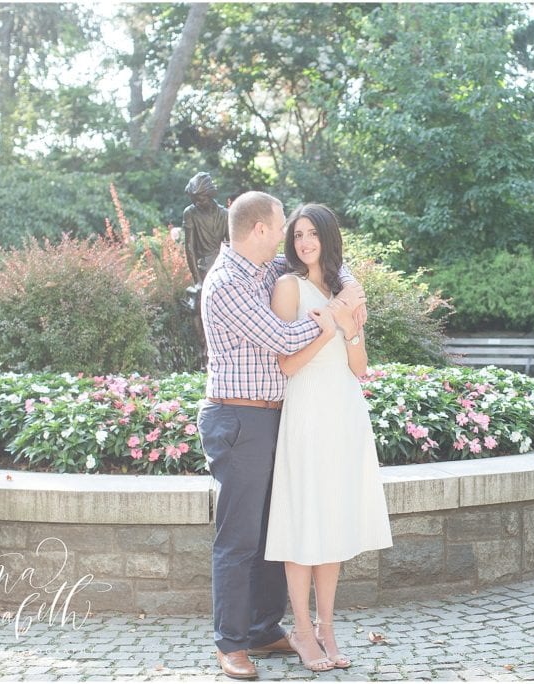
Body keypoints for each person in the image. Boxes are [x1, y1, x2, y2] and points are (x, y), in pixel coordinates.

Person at [196, 191, 366, 681]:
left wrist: (347, 291)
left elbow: (331, 269)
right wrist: (337, 316)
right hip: (238, 418)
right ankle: (231, 644)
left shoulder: (264, 272)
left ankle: (263, 627)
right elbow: (286, 339)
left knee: (275, 530)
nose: (288, 238)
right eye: (281, 228)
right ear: (260, 231)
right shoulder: (227, 283)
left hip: (276, 417)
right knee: (239, 539)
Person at [265, 204, 393, 672]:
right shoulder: (287, 287)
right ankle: (300, 631)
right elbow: (286, 365)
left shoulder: (345, 288)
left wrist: (350, 327)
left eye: (312, 234)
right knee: (304, 523)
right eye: (297, 235)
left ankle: (327, 628)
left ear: (328, 238)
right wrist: (327, 329)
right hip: (306, 411)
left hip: (343, 411)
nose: (304, 243)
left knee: (333, 524)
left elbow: (358, 367)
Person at [183, 172, 229, 286]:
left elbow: (230, 246)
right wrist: (197, 281)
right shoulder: (190, 213)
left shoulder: (224, 214)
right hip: (203, 268)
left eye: (200, 199)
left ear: (210, 195)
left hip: (222, 267)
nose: (197, 203)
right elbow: (190, 248)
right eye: (194, 200)